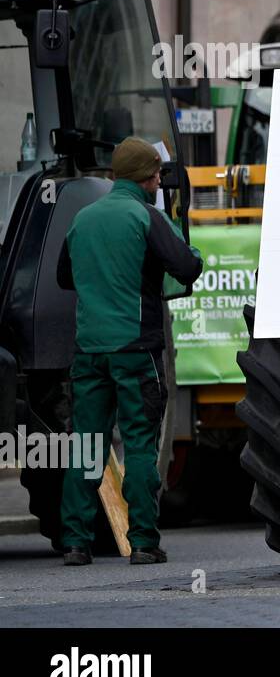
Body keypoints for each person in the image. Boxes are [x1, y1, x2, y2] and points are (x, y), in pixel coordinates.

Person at [56, 137, 203, 566]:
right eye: (157, 175)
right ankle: (142, 542)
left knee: (86, 443)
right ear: (143, 178)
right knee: (139, 443)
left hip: (88, 350)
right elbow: (187, 266)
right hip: (135, 349)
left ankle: (75, 542)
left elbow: (66, 276)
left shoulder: (82, 219)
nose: (160, 180)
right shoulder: (146, 216)